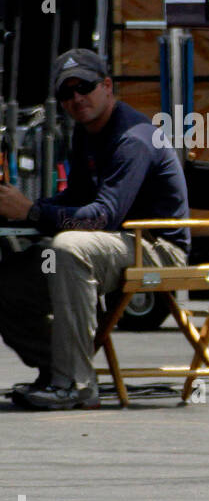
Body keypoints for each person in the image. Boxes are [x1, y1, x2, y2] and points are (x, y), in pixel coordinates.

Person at [0, 49, 189, 410]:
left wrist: (32, 211)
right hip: (117, 244)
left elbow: (102, 217)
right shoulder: (86, 135)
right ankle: (56, 371)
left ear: (106, 86)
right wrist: (16, 210)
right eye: (66, 93)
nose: (76, 98)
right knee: (10, 281)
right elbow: (78, 197)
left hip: (157, 247)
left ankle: (74, 384)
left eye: (84, 87)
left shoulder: (133, 138)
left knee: (69, 249)